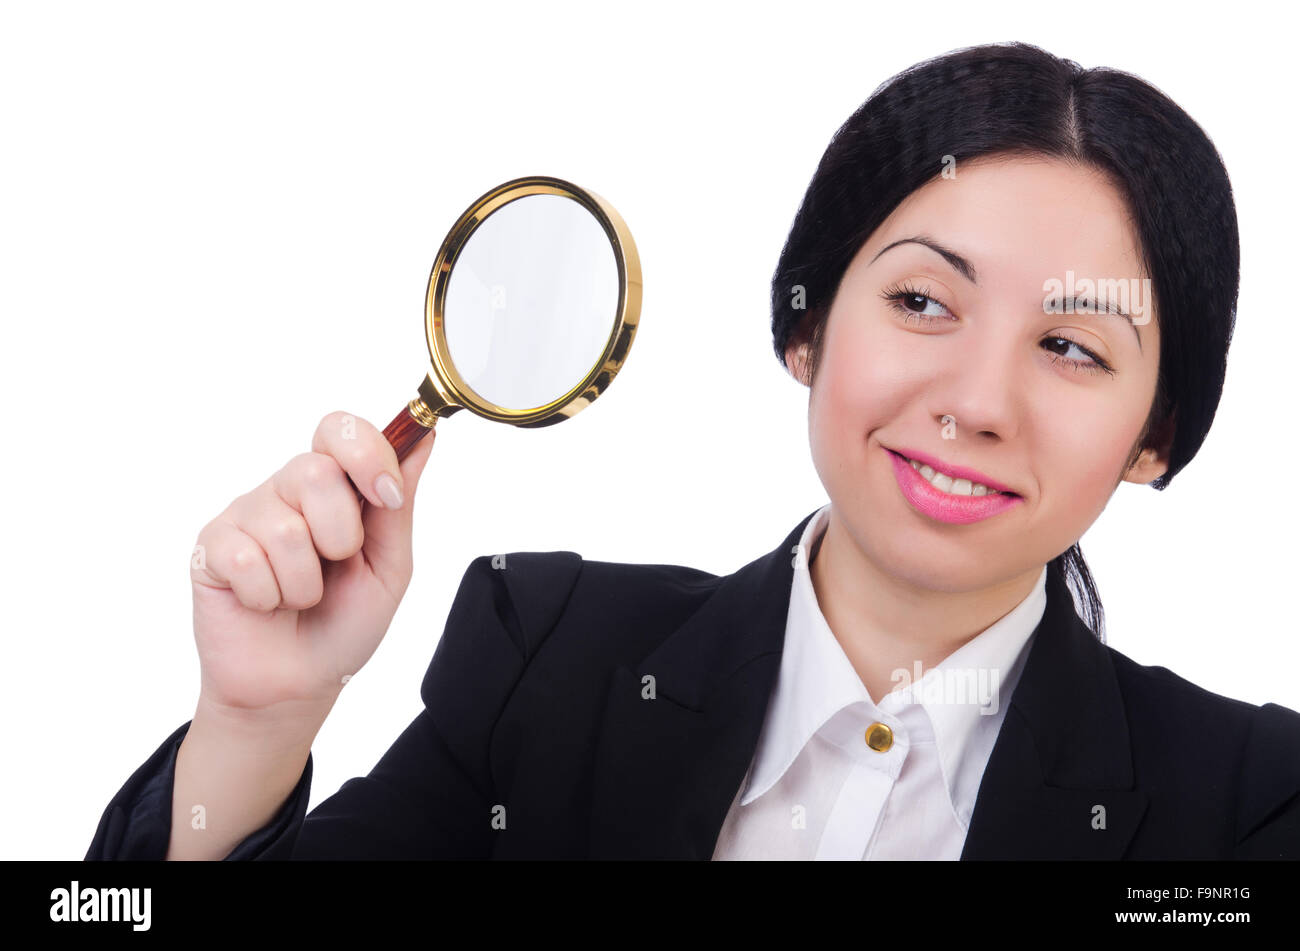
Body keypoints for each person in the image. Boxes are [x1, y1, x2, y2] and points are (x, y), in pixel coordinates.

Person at [87, 41, 1300, 861]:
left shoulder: (1250, 804)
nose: (977, 403)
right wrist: (255, 723)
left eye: (1073, 348)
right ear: (806, 331)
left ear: (1157, 436)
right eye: (923, 303)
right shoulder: (543, 661)